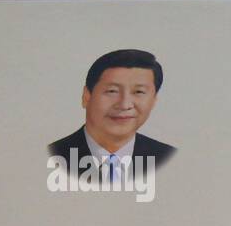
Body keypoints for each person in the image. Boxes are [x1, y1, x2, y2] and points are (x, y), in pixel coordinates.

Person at [48, 49, 175, 180]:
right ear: (86, 96)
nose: (125, 105)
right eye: (112, 91)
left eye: (139, 92)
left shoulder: (168, 158)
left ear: (153, 100)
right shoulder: (53, 156)